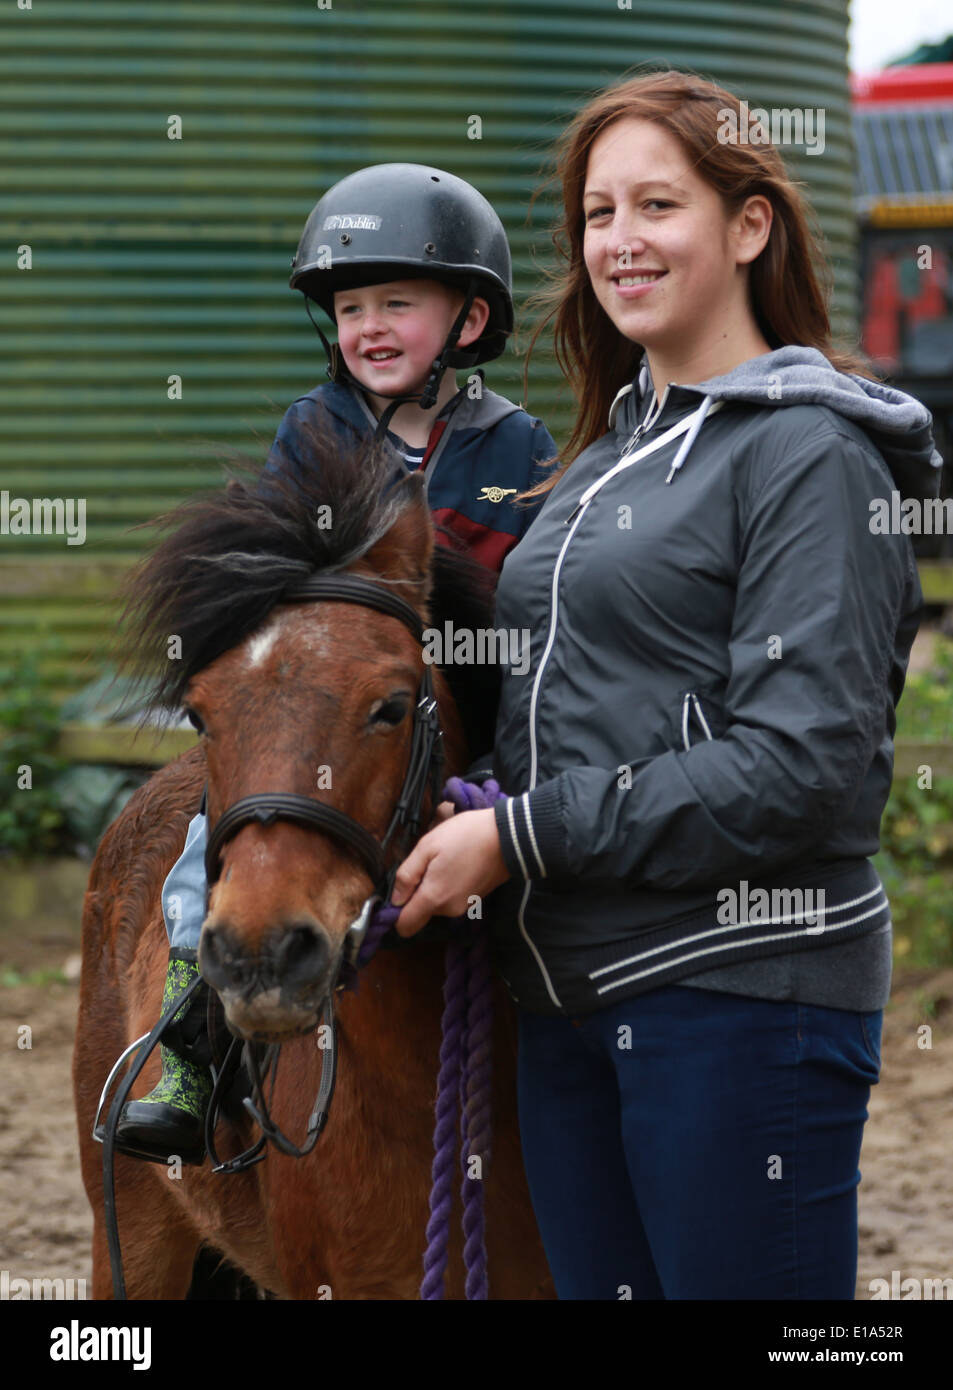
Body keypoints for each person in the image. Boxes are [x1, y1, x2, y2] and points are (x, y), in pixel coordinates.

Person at [389, 71, 942, 1300]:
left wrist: (517, 835)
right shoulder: (598, 459)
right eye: (597, 214)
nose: (618, 242)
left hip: (736, 997)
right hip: (569, 993)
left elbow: (795, 771)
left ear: (748, 227)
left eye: (656, 205)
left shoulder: (809, 454)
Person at [112, 163, 556, 1166]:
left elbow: (531, 594)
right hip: (320, 724)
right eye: (352, 307)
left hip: (470, 726)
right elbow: (269, 584)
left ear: (470, 323)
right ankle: (193, 1041)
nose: (370, 326)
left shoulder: (515, 443)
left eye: (397, 302)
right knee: (200, 849)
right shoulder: (313, 431)